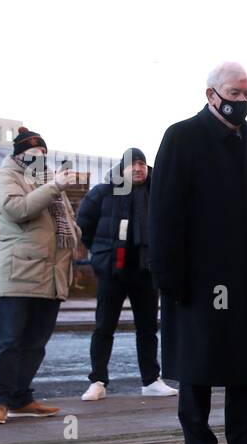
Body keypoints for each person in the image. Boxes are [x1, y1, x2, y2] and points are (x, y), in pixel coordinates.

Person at [149, 62, 247, 444]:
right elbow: (164, 211)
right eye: (234, 94)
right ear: (211, 94)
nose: (241, 102)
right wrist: (168, 275)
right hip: (200, 277)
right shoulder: (181, 137)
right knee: (199, 367)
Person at [0, 127, 81, 425]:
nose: (39, 158)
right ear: (18, 154)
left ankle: (21, 398)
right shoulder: (5, 178)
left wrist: (75, 233)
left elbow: (67, 220)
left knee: (36, 343)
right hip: (19, 272)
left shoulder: (46, 181)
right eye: (32, 153)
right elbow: (17, 209)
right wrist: (55, 186)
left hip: (51, 275)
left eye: (43, 153)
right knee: (9, 341)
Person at [76, 148, 178, 401]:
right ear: (122, 169)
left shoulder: (158, 192)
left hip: (145, 271)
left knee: (147, 329)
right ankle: (98, 381)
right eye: (133, 164)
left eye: (142, 163)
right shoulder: (103, 192)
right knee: (104, 328)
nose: (138, 168)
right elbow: (84, 227)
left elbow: (173, 226)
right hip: (113, 271)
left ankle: (151, 380)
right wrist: (100, 256)